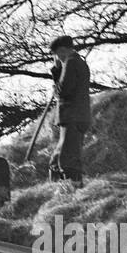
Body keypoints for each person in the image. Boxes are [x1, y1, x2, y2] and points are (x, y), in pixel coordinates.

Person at [48, 35, 91, 183]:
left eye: (57, 53)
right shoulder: (79, 63)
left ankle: (72, 189)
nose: (57, 57)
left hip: (72, 116)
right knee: (57, 159)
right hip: (78, 116)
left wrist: (55, 87)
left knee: (68, 159)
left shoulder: (71, 63)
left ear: (62, 50)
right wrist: (58, 70)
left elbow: (64, 91)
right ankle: (58, 189)